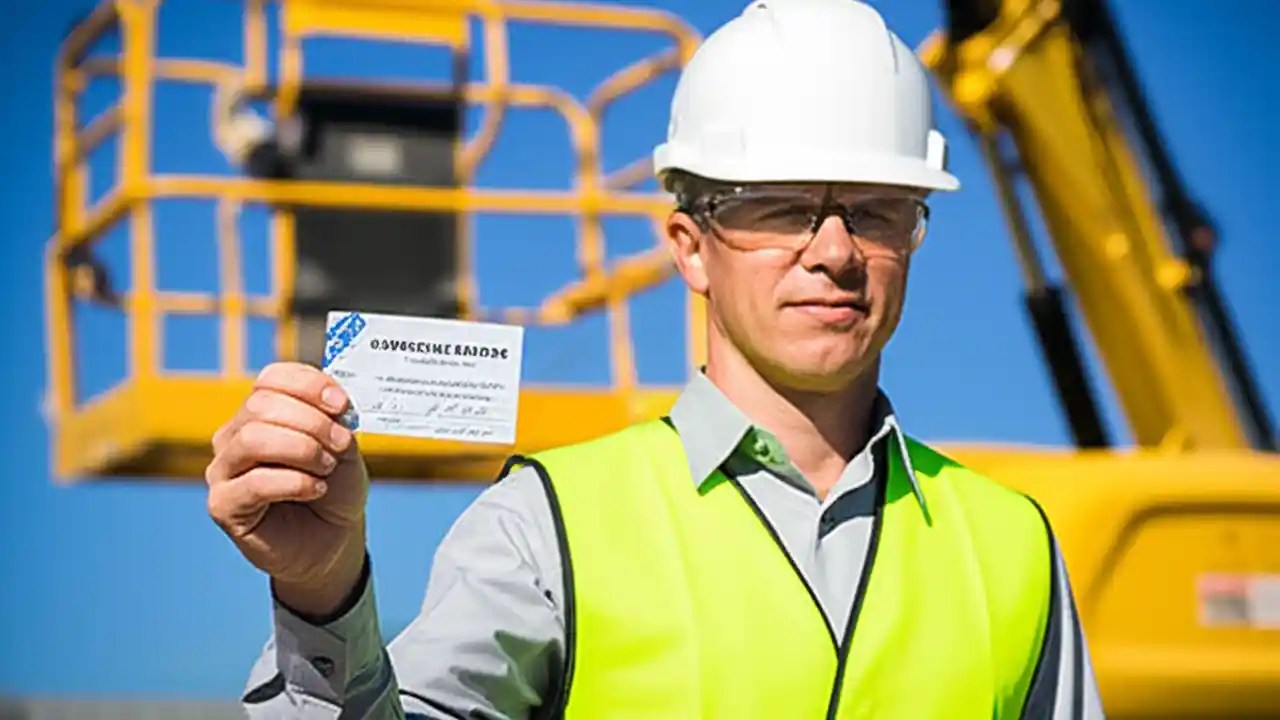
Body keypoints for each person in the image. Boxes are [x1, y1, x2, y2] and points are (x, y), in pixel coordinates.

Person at [206, 0, 1105, 717]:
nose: (835, 250)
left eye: (876, 210)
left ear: (914, 235)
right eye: (785, 208)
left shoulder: (1014, 549)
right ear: (688, 244)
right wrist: (321, 594)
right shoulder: (545, 528)